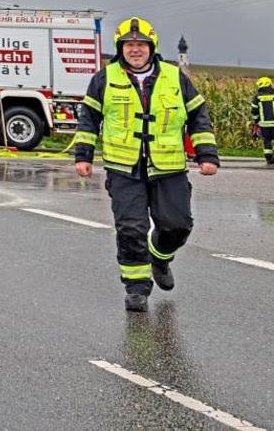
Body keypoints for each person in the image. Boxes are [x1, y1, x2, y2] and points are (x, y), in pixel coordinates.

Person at [74, 17, 219, 312]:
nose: (135, 49)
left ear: (151, 47)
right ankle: (136, 288)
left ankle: (161, 256)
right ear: (121, 48)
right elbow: (89, 118)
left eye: (141, 44)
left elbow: (197, 115)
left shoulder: (174, 77)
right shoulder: (104, 78)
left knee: (177, 225)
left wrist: (206, 153)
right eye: (129, 45)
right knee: (130, 228)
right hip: (123, 167)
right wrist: (83, 155)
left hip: (169, 166)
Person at [250, 76, 274, 166]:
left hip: (264, 124)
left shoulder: (257, 97)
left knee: (267, 142)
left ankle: (269, 160)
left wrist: (256, 121)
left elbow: (254, 111)